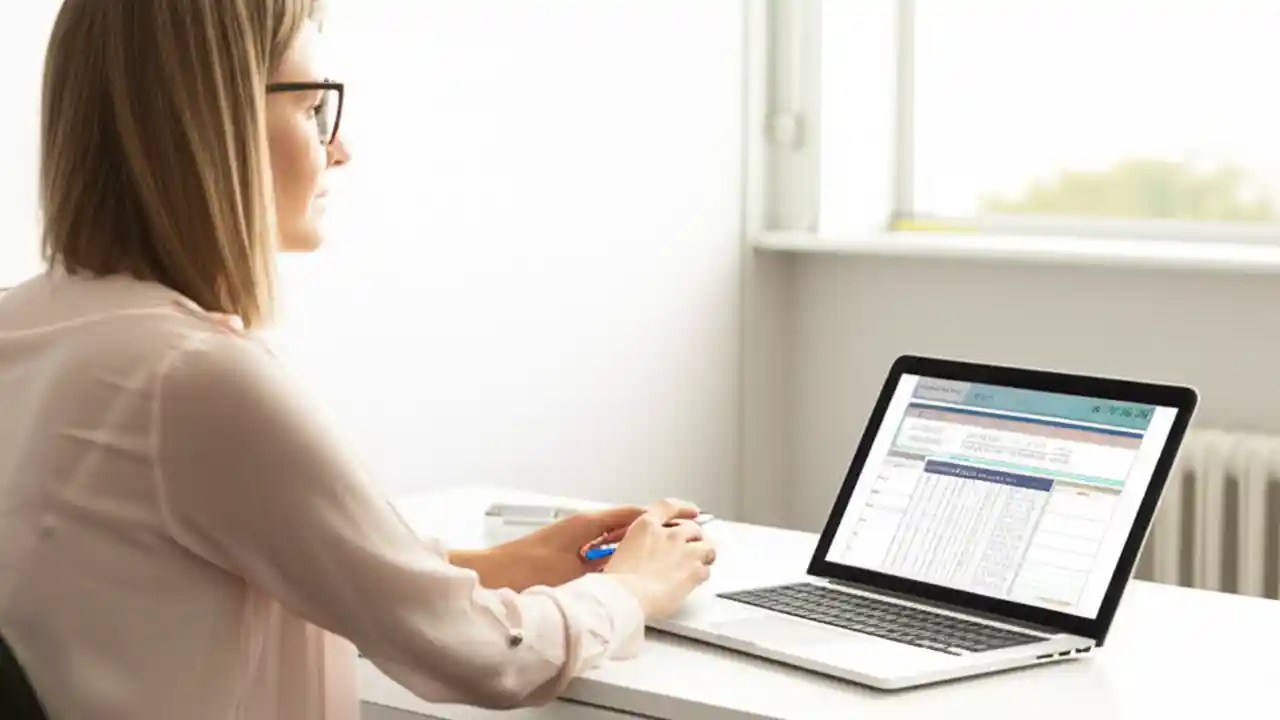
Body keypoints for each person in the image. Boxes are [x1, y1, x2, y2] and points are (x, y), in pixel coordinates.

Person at [0, 1, 716, 718]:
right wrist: (632, 589)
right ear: (213, 122)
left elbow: (197, 563)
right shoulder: (190, 378)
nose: (339, 148)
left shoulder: (29, 330)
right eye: (313, 108)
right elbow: (492, 661)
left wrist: (501, 566)